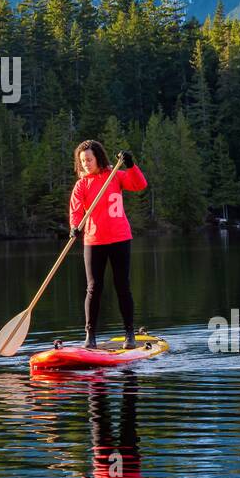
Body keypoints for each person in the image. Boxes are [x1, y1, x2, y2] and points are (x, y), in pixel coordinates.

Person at [68, 140, 148, 349]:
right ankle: (90, 337)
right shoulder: (81, 185)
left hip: (120, 238)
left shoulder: (114, 176)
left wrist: (130, 165)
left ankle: (130, 334)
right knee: (93, 288)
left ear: (98, 158)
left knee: (123, 286)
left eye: (89, 159)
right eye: (82, 161)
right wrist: (74, 227)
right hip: (94, 241)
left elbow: (139, 185)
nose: (86, 164)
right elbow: (76, 212)